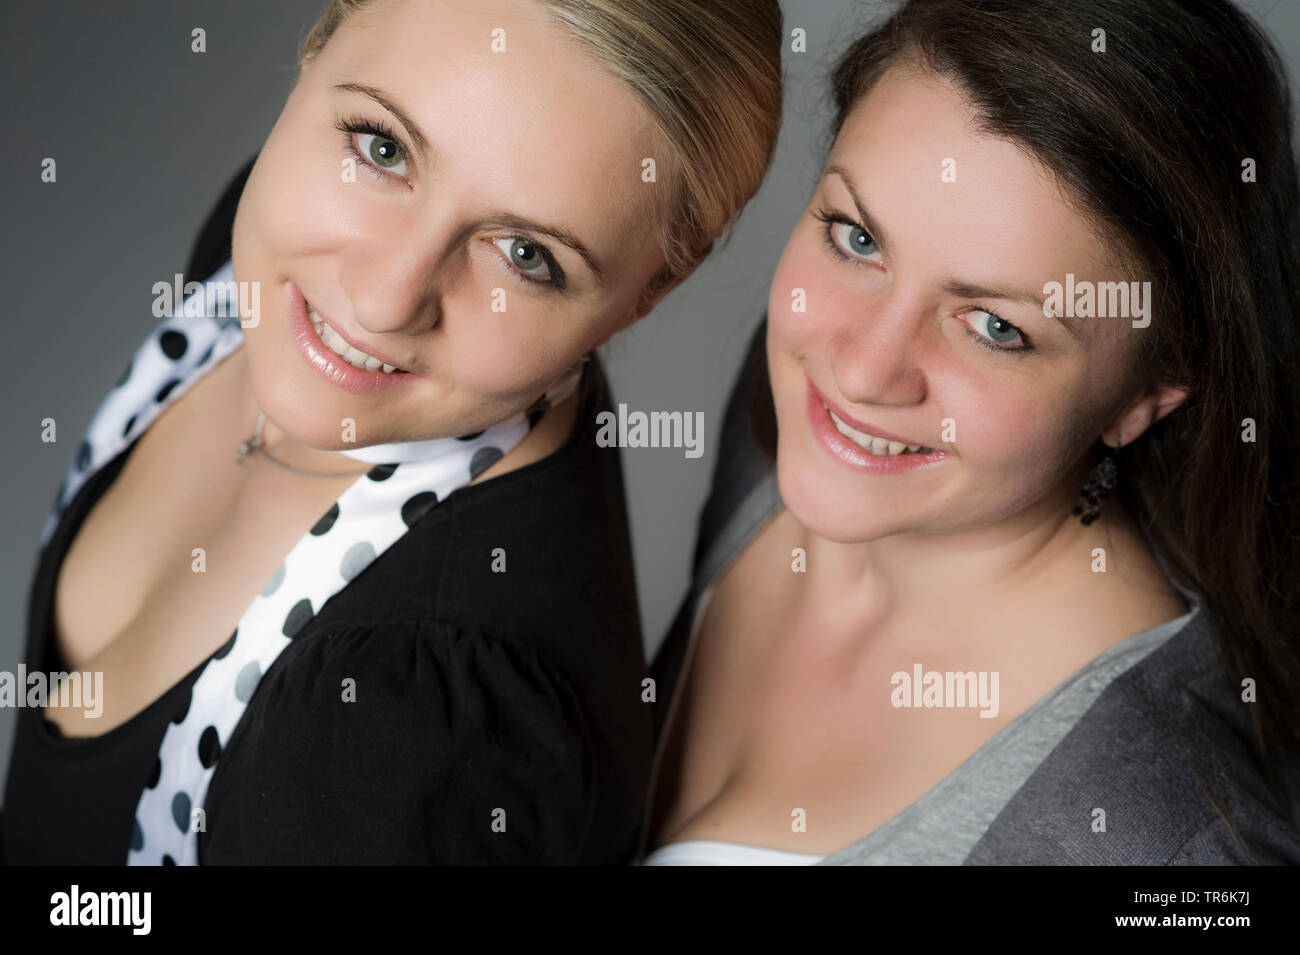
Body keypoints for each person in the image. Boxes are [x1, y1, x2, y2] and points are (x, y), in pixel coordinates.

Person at [1, 0, 783, 865]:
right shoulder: (272, 269)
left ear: (646, 295)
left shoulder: (402, 742)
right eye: (383, 149)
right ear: (319, 43)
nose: (380, 299)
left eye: (526, 255)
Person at [641, 0, 1300, 865]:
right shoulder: (790, 425)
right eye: (856, 238)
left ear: (1142, 397)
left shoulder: (1172, 851)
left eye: (995, 326)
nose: (866, 370)